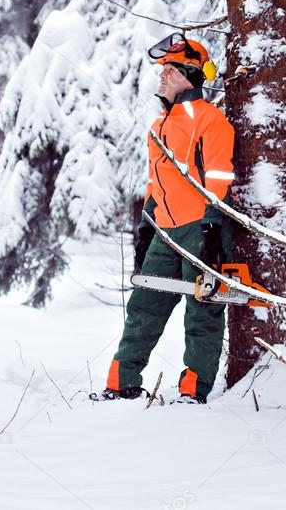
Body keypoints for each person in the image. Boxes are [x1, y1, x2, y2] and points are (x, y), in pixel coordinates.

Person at [94, 33, 235, 405]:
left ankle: (193, 390)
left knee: (202, 311)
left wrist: (212, 225)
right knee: (143, 306)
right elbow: (155, 182)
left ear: (190, 75)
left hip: (202, 228)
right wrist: (146, 226)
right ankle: (121, 383)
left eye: (170, 70)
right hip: (165, 232)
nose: (162, 75)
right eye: (162, 70)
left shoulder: (211, 119)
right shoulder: (159, 126)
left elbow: (219, 177)